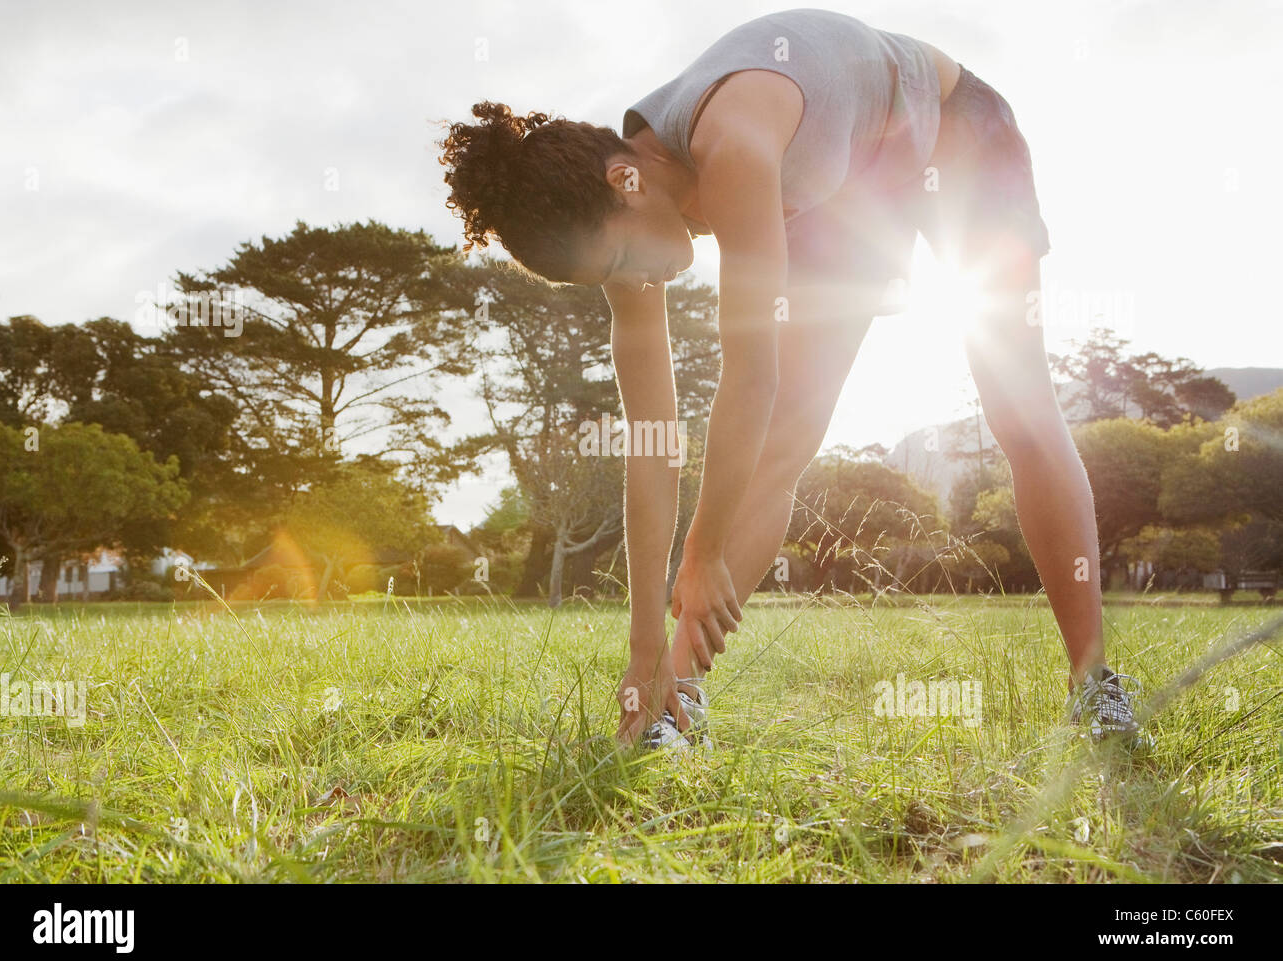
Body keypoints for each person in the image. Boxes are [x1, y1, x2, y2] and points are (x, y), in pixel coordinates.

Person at [436, 8, 1146, 752]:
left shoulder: (733, 141)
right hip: (841, 193)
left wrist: (704, 548)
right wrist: (643, 646)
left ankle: (1092, 683)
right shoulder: (629, 219)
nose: (635, 281)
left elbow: (750, 377)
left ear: (627, 178)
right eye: (611, 277)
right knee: (779, 449)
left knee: (1018, 408)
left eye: (621, 261)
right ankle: (670, 706)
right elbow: (653, 445)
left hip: (954, 133)